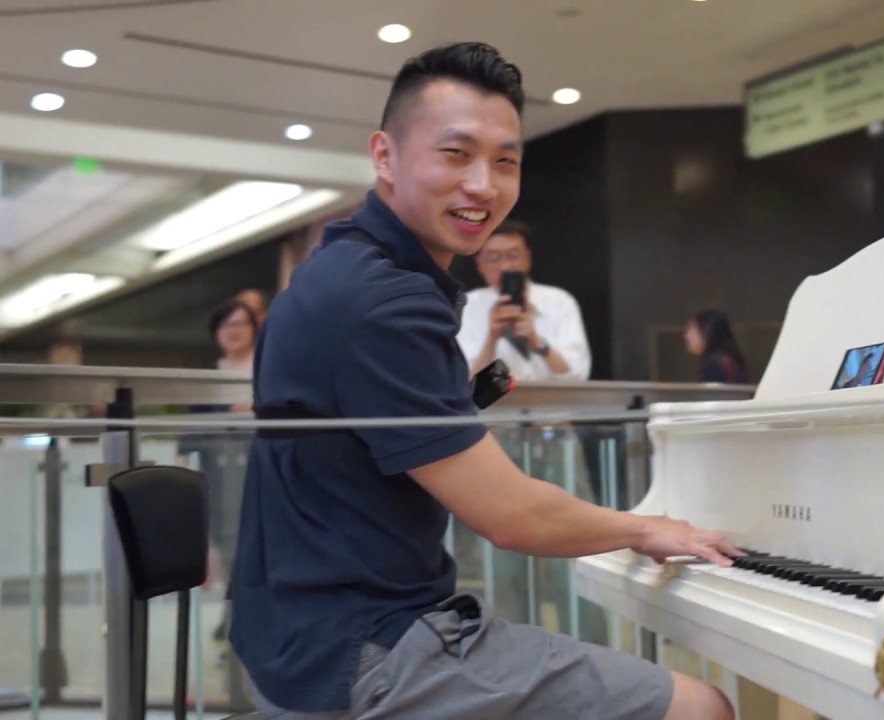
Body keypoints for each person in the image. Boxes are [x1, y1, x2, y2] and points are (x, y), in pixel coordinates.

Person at [228, 42, 737, 720]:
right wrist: (642, 527)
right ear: (385, 155)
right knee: (700, 706)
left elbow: (400, 417)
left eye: (505, 161)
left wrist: (486, 377)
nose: (483, 186)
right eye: (455, 153)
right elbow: (511, 516)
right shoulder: (389, 301)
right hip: (367, 647)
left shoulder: (336, 272)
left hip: (295, 634)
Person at [457, 220, 591, 381]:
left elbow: (578, 375)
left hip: (554, 405)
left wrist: (537, 341)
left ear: (528, 258)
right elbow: (465, 383)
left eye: (513, 256)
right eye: (493, 259)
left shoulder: (559, 301)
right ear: (479, 265)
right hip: (495, 406)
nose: (505, 267)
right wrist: (492, 338)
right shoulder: (467, 306)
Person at [684, 310, 749, 384]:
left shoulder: (714, 363)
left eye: (693, 329)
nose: (687, 336)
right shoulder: (728, 359)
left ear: (707, 330)